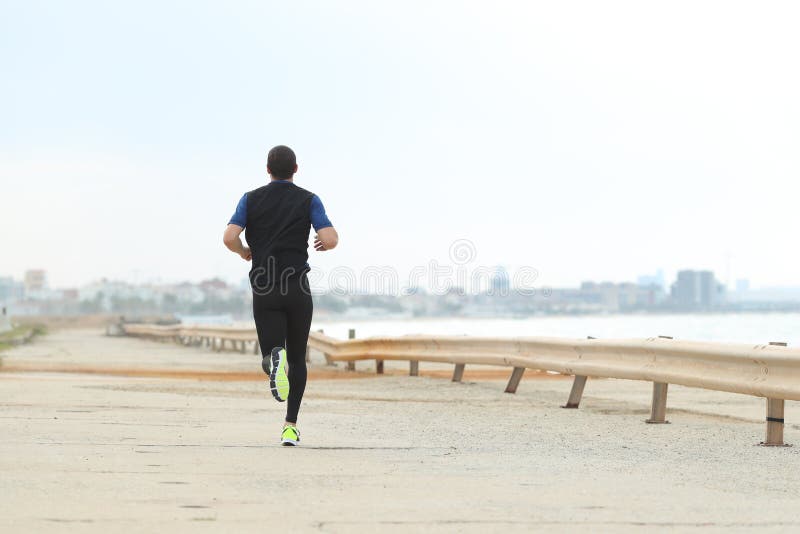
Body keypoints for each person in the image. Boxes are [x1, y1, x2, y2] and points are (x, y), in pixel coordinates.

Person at [223, 145, 338, 446]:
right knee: (298, 359)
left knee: (272, 354)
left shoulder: (250, 199)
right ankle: (290, 426)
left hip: (264, 286)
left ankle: (275, 359)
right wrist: (325, 244)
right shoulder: (309, 199)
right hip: (297, 286)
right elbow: (329, 238)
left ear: (267, 170)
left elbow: (229, 237)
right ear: (296, 169)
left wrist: (244, 251)